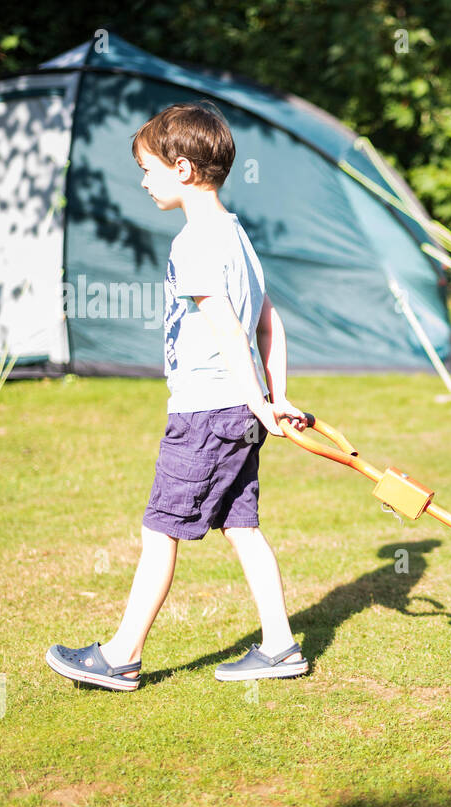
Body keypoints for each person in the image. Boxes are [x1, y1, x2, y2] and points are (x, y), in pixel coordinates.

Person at [47, 101, 310, 691]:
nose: (143, 181)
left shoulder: (195, 242)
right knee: (243, 528)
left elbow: (229, 329)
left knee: (160, 530)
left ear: (184, 168)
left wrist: (261, 401)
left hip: (206, 414)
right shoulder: (237, 235)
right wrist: (273, 396)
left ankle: (120, 657)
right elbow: (271, 322)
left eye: (148, 169)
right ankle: (279, 647)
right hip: (237, 411)